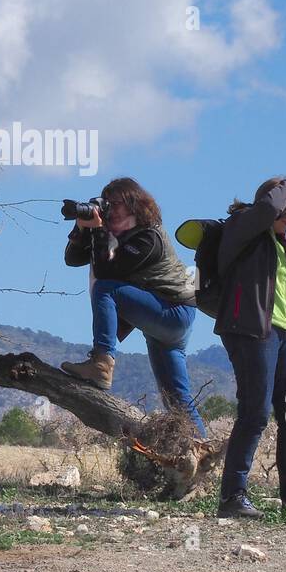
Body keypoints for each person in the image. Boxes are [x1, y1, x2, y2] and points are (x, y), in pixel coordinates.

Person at [60, 177, 206, 437]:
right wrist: (83, 230)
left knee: (107, 289)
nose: (110, 211)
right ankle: (200, 451)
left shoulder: (149, 236)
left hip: (174, 312)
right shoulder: (120, 235)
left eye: (115, 205)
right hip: (163, 320)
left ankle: (102, 363)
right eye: (107, 205)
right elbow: (72, 259)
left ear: (134, 205)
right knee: (176, 398)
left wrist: (100, 231)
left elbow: (107, 272)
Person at [214, 175, 286, 518]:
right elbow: (268, 208)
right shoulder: (243, 228)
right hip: (252, 331)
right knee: (255, 413)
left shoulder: (285, 243)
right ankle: (232, 497)